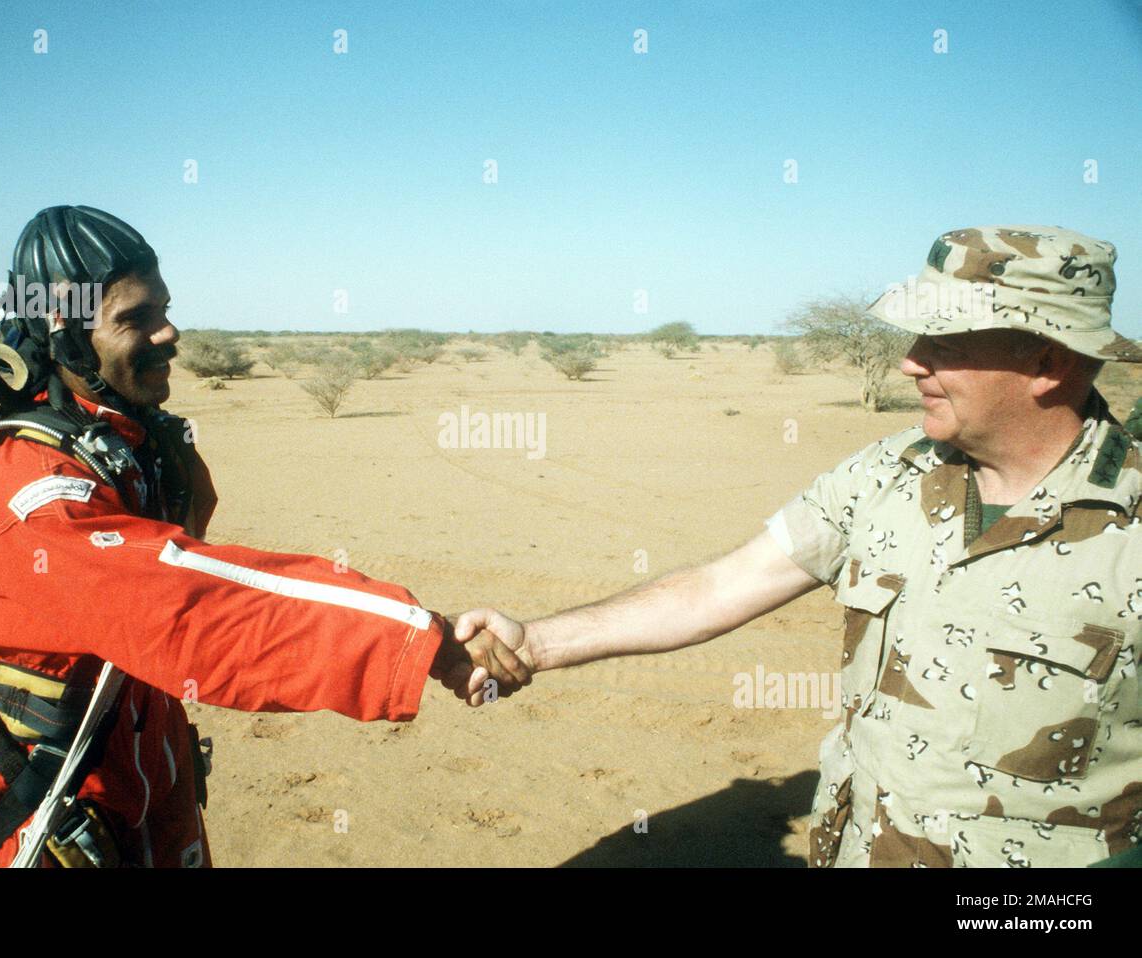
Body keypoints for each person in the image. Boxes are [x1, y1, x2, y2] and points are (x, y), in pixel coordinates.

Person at [456, 225, 1142, 867]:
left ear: (1047, 362)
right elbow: (719, 587)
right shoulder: (887, 473)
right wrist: (537, 644)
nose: (910, 363)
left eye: (946, 343)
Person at [0, 206, 530, 867]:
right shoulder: (34, 498)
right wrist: (419, 640)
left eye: (164, 308)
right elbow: (202, 607)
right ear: (64, 342)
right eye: (136, 318)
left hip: (157, 780)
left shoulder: (131, 445)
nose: (168, 331)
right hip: (64, 813)